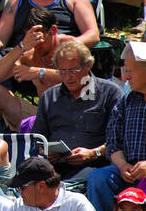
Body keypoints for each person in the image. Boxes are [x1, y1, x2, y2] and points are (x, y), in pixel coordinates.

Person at [32, 39, 121, 177]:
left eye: (73, 71)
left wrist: (94, 153)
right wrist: (46, 152)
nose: (68, 77)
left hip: (94, 166)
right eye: (62, 71)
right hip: (54, 166)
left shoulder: (109, 93)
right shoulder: (50, 96)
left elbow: (119, 139)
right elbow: (37, 138)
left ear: (88, 66)